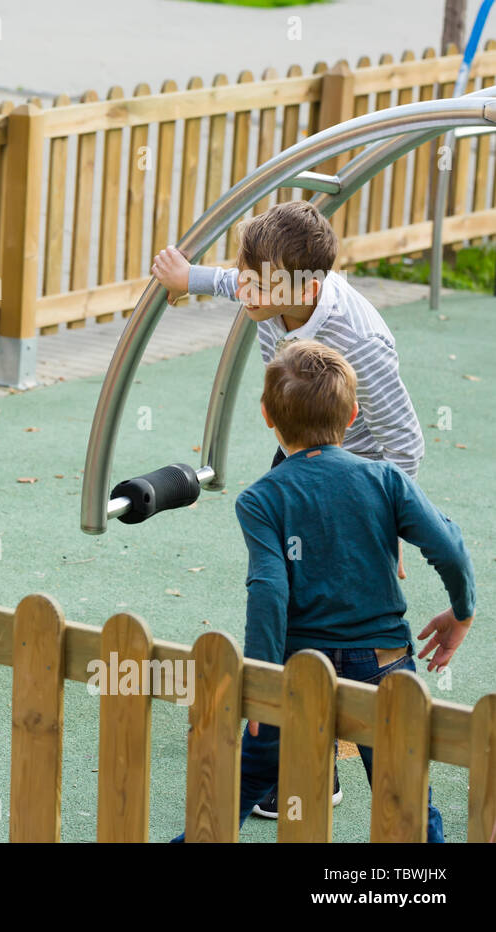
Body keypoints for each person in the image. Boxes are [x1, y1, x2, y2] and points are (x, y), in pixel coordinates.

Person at [151, 199, 426, 816]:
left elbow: (404, 444)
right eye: (245, 273)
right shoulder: (273, 289)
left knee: (337, 605)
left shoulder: (361, 342)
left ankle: (328, 731)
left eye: (256, 278)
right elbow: (234, 280)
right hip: (304, 456)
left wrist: (388, 524)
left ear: (303, 284)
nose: (243, 283)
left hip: (357, 481)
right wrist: (186, 278)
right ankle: (306, 752)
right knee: (297, 594)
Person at [172, 341, 474, 843]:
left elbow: (268, 591)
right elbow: (449, 546)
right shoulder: (385, 479)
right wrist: (461, 611)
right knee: (408, 800)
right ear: (353, 414)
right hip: (385, 665)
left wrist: (260, 682)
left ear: (268, 415)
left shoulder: (261, 498)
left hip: (298, 671)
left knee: (235, 791)